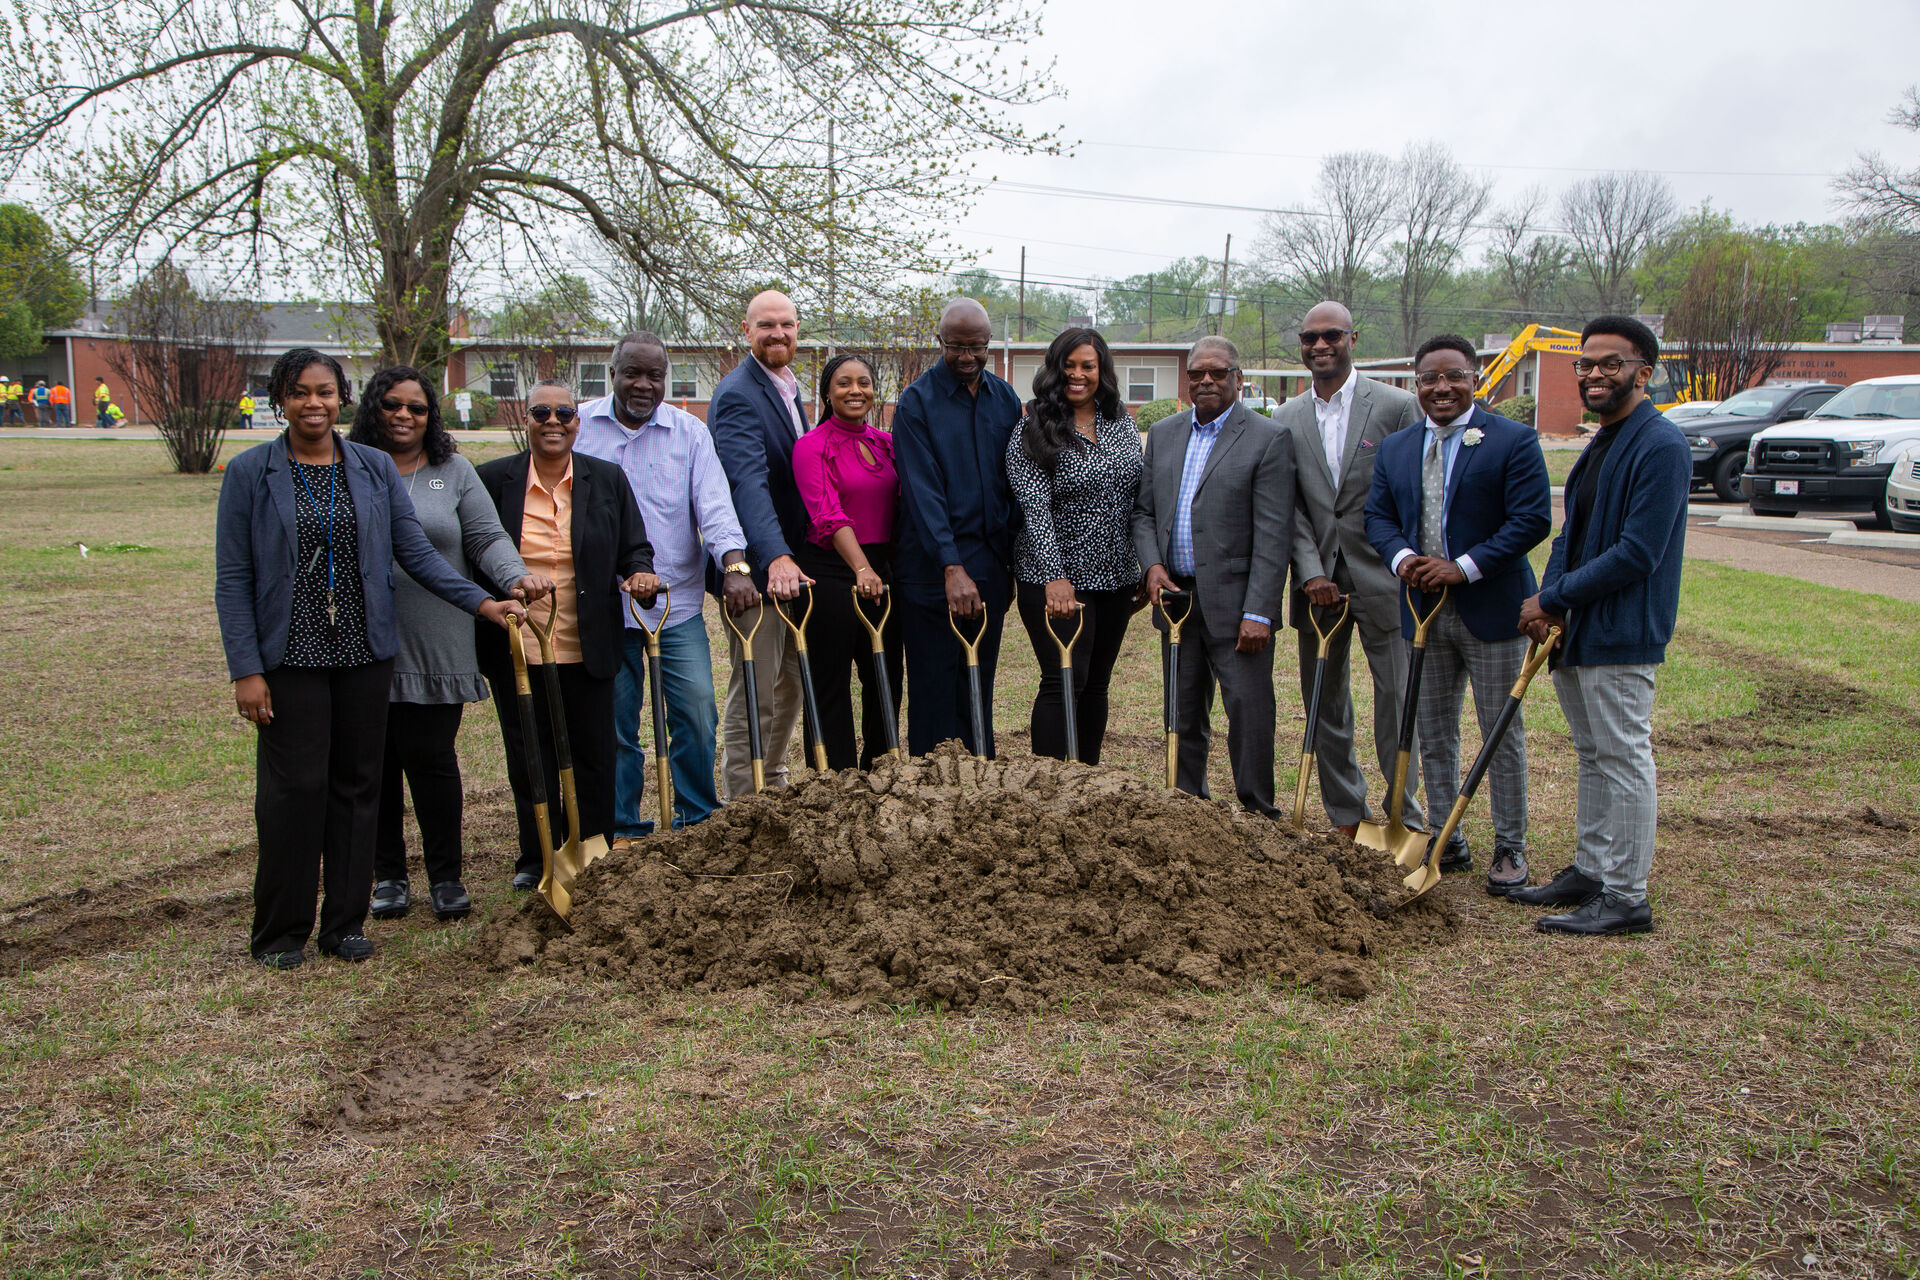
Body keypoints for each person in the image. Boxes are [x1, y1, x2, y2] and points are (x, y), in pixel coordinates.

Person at [214, 347, 523, 969]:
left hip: (363, 652)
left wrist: (483, 604)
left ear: (340, 399)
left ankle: (344, 925)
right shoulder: (251, 472)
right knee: (295, 790)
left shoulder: (374, 468)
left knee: (359, 788)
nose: (313, 403)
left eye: (325, 392)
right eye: (300, 392)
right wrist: (246, 670)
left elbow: (418, 553)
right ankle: (281, 930)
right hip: (290, 656)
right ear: (281, 398)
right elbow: (234, 577)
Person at [348, 366, 551, 923]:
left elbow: (485, 537)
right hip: (364, 638)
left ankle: (445, 877)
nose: (404, 416)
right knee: (376, 764)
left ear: (430, 415)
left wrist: (515, 576)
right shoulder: (349, 466)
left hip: (437, 634)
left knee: (432, 758)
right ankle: (387, 876)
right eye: (393, 405)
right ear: (374, 408)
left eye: (416, 407)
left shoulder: (453, 470)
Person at [1512, 316, 1690, 936]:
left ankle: (1626, 896)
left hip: (1621, 630)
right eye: (1586, 364)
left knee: (1623, 757)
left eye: (1610, 363)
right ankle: (1590, 871)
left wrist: (1555, 595)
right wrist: (1549, 600)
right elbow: (1573, 534)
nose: (1594, 374)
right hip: (1578, 629)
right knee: (1593, 755)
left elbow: (1638, 552)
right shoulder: (1604, 440)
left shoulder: (1660, 445)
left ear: (1645, 372)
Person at [1365, 334, 1552, 891]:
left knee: (1501, 731)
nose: (1441, 387)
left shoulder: (1512, 440)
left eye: (1453, 376)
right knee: (1434, 731)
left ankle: (1510, 847)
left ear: (1474, 378)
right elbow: (1378, 517)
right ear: (1415, 383)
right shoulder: (1396, 447)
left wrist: (1463, 567)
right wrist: (1402, 560)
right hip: (1422, 608)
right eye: (1429, 378)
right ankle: (1449, 837)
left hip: (1491, 609)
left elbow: (1530, 520)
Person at [474, 379, 659, 890]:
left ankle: (592, 849)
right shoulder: (491, 480)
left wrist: (640, 575)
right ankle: (537, 855)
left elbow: (634, 548)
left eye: (565, 413)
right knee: (531, 755)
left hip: (588, 643)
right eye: (542, 413)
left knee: (594, 752)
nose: (553, 422)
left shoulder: (607, 479)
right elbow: (473, 554)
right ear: (526, 421)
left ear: (579, 422)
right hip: (518, 645)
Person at [576, 332, 752, 843]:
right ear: (613, 373)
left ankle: (696, 817)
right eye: (633, 372)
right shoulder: (581, 426)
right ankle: (622, 828)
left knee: (696, 712)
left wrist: (735, 566)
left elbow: (715, 507)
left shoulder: (689, 433)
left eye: (655, 375)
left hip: (674, 606)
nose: (643, 385)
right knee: (615, 725)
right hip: (606, 606)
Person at [1276, 301, 1425, 839]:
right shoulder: (1286, 417)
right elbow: (1286, 505)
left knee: (1397, 700)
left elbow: (1416, 498)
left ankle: (1403, 814)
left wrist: (1409, 564)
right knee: (1325, 702)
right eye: (1309, 337)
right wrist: (1311, 570)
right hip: (1318, 587)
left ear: (1353, 338)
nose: (1320, 346)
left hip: (1387, 579)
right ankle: (1345, 812)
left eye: (1331, 336)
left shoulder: (1396, 406)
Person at [1131, 336, 1295, 815]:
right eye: (1197, 372)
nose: (1206, 380)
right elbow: (1143, 513)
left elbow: (1273, 535)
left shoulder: (1267, 438)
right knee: (1181, 713)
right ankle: (1188, 809)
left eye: (1218, 372)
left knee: (1248, 712)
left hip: (1239, 603)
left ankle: (1257, 810)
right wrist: (1153, 567)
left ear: (1238, 379)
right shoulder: (1164, 433)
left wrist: (1260, 612)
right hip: (1176, 599)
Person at [1006, 328, 1144, 763]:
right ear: (1054, 370)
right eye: (1069, 366)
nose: (1078, 375)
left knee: (1098, 681)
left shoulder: (1121, 422)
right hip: (1056, 580)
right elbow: (1035, 509)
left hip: (1117, 579)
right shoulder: (1032, 429)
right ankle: (1048, 783)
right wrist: (1055, 578)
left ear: (1102, 371)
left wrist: (1141, 566)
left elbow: (1136, 497)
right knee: (1065, 678)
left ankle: (1087, 781)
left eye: (1088, 366)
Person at [894, 297, 1024, 756]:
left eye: (977, 347)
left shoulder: (1005, 398)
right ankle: (931, 795)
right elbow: (923, 493)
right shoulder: (915, 403)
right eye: (956, 347)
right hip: (932, 571)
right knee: (934, 685)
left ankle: (977, 786)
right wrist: (952, 567)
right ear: (940, 342)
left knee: (978, 682)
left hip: (988, 564)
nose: (967, 357)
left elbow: (1014, 483)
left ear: (989, 343)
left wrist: (1007, 564)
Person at [707, 290, 813, 794]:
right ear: (745, 331)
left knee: (789, 682)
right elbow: (746, 483)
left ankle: (772, 782)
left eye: (787, 325)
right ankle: (741, 801)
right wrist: (775, 557)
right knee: (756, 686)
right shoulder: (738, 394)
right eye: (766, 325)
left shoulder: (788, 388)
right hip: (754, 573)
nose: (778, 334)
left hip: (792, 569)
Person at [791, 353, 904, 768]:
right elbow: (827, 513)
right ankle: (833, 782)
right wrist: (861, 568)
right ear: (826, 393)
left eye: (864, 383)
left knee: (885, 679)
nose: (855, 391)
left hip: (882, 572)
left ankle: (881, 771)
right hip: (830, 572)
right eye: (843, 383)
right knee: (829, 684)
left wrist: (880, 568)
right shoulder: (811, 447)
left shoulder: (887, 443)